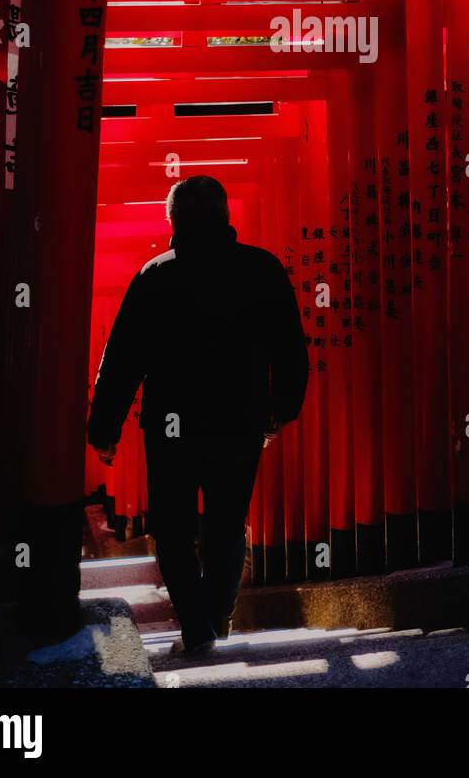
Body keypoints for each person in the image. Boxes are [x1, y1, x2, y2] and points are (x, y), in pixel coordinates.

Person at [87, 174, 309, 656]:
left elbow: (123, 358)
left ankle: (196, 625)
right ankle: (216, 617)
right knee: (228, 523)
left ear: (171, 220)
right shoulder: (260, 269)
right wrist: (281, 408)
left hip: (172, 425)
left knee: (173, 526)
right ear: (227, 217)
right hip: (239, 419)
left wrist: (105, 429)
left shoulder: (155, 275)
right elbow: (290, 346)